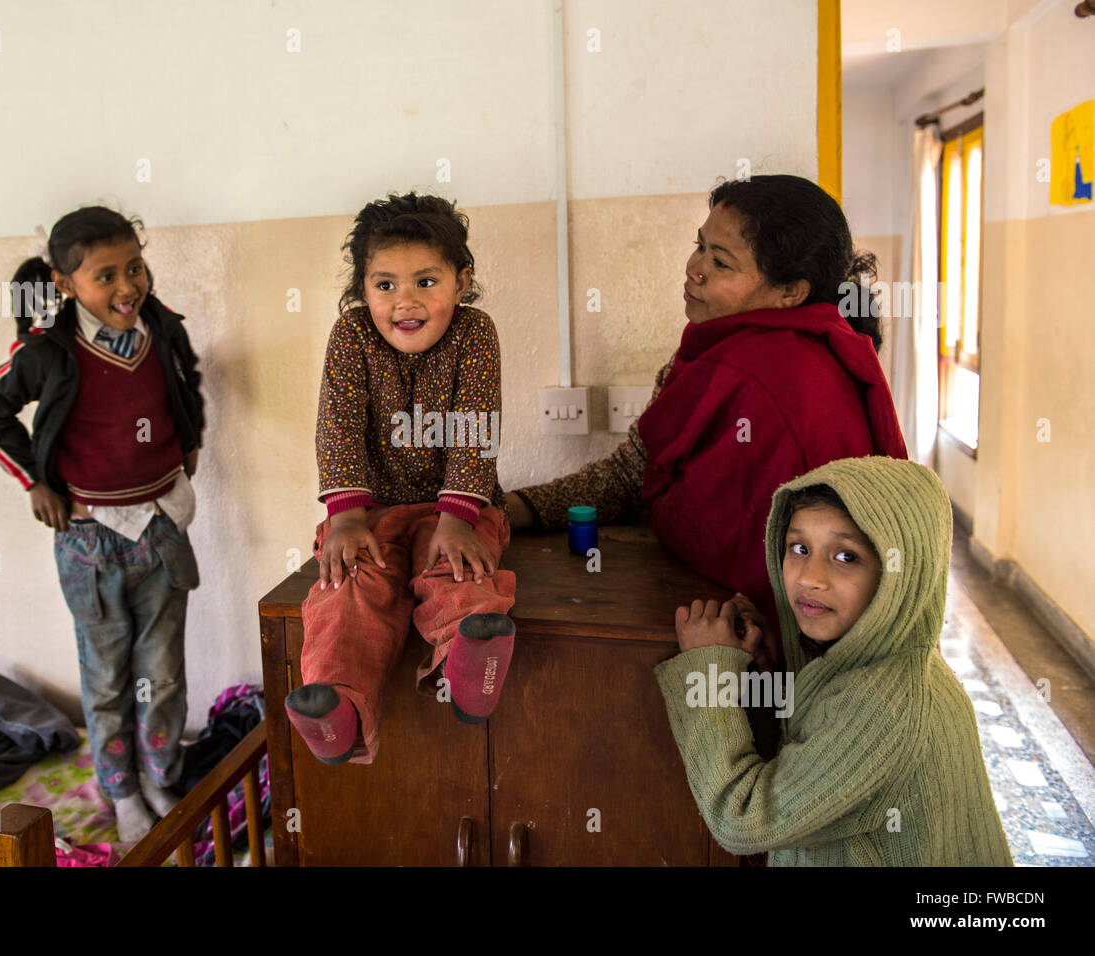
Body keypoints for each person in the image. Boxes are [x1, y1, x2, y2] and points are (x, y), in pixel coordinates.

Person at [506, 174, 908, 670]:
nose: (694, 269)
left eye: (721, 262)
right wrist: (520, 507)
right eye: (700, 246)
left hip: (769, 653)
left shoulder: (771, 376)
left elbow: (796, 578)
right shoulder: (721, 347)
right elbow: (636, 471)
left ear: (789, 292)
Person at [0, 206, 206, 843]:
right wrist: (36, 482)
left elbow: (191, 380)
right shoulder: (48, 351)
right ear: (65, 283)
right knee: (106, 680)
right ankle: (120, 790)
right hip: (89, 541)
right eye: (106, 276)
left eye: (135, 267)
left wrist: (192, 440)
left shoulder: (162, 328)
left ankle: (161, 774)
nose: (128, 286)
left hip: (159, 529)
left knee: (163, 672)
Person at [655, 456, 1014, 865]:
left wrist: (709, 668)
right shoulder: (883, 662)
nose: (810, 576)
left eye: (846, 557)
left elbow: (742, 818)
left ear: (899, 576)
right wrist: (775, 671)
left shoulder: (884, 704)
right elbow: (810, 759)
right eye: (799, 547)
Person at [284, 192, 517, 766]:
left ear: (461, 283)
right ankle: (338, 705)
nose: (405, 302)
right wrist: (343, 517)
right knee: (349, 583)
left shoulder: (475, 334)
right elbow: (337, 427)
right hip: (373, 513)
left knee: (458, 570)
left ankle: (470, 660)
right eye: (385, 284)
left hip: (455, 512)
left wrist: (459, 518)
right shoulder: (351, 338)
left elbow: (476, 427)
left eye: (426, 282)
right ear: (362, 288)